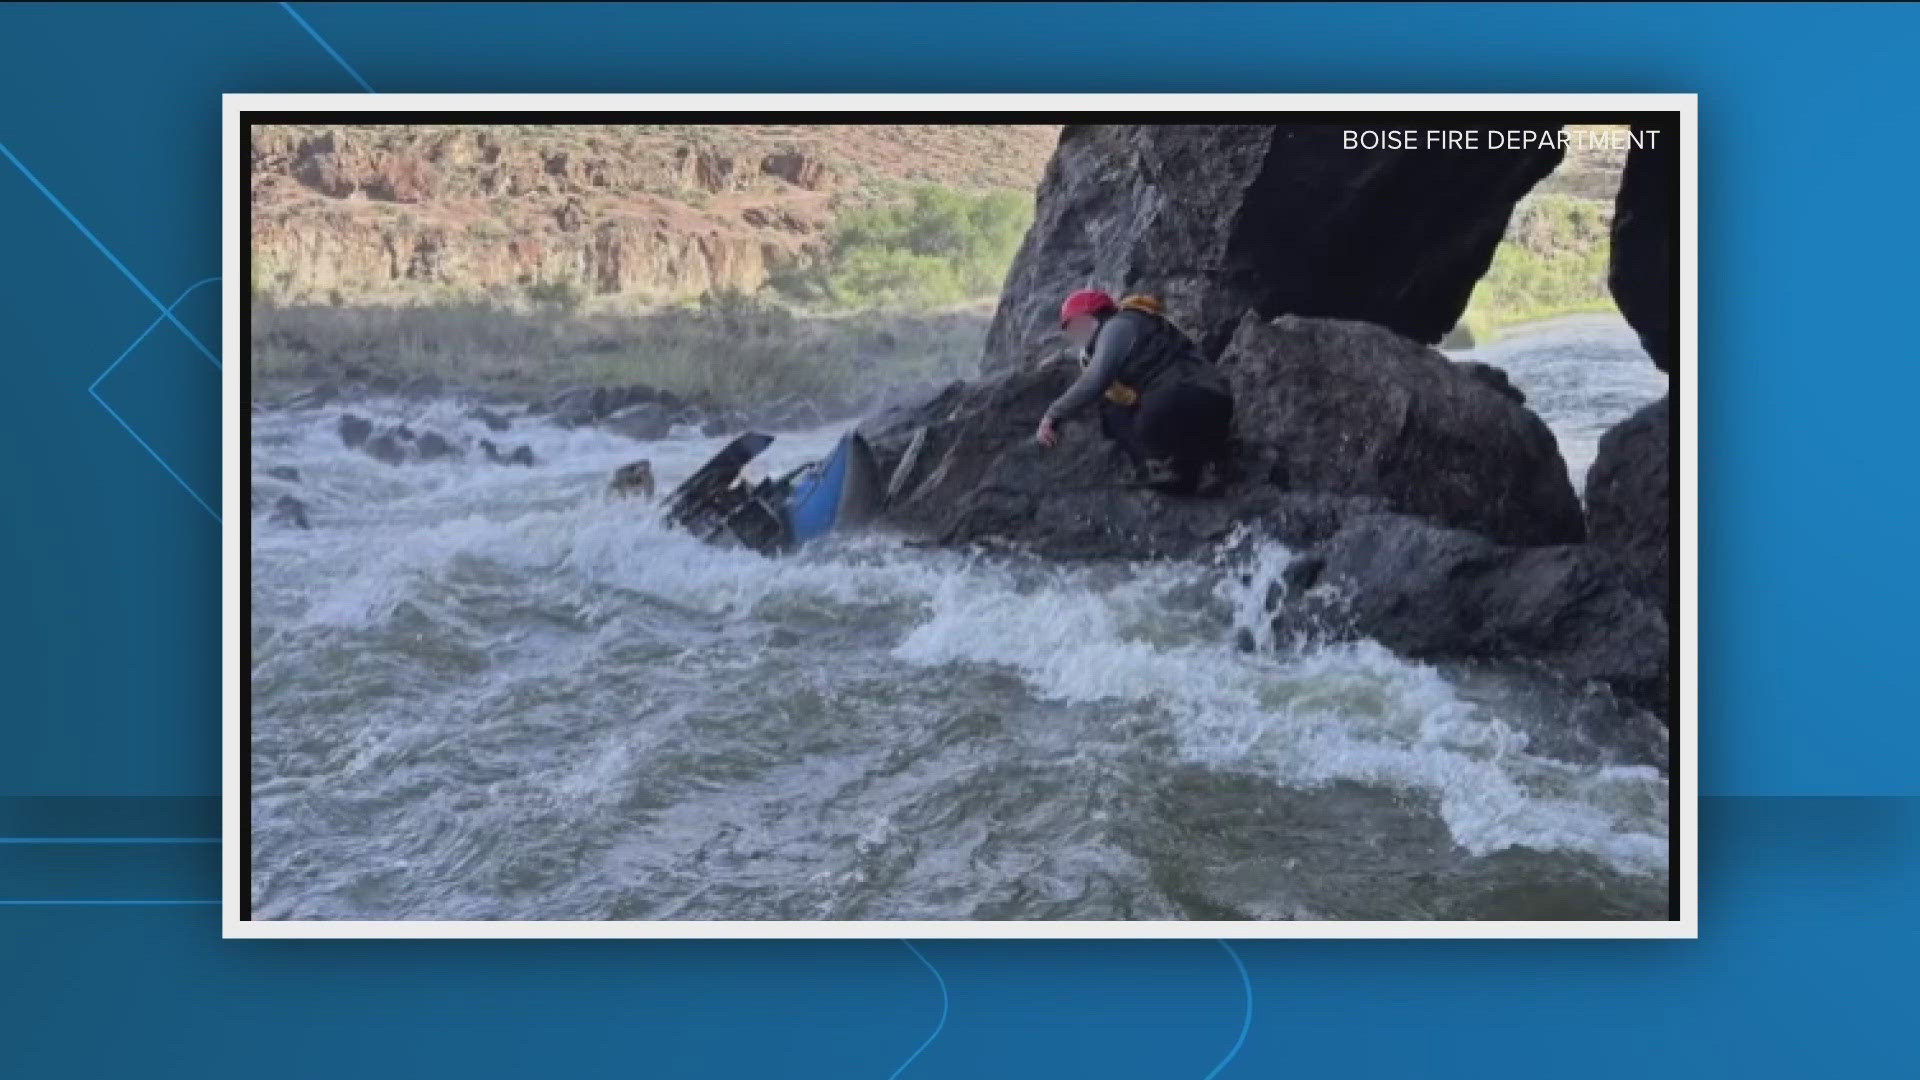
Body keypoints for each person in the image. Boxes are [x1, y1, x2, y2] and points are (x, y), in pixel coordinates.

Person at [1035, 288, 1235, 495]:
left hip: (1195, 392)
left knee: (1152, 415)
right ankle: (1184, 470)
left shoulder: (1119, 325)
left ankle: (1190, 466)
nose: (1076, 334)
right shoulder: (1127, 327)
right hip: (1203, 398)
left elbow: (1095, 380)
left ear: (1094, 315)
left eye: (1076, 325)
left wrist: (1052, 414)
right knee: (1114, 411)